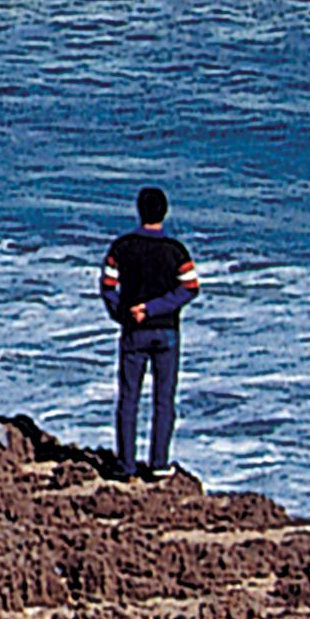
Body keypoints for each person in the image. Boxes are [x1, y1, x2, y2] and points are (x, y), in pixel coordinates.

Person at [99, 185, 200, 480]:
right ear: (164, 213)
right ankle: (158, 464)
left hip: (134, 331)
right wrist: (155, 308)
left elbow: (107, 286)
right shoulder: (175, 250)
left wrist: (123, 313)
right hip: (166, 330)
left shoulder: (122, 247)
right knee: (164, 400)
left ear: (139, 211)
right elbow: (190, 287)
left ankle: (126, 464)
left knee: (128, 399)